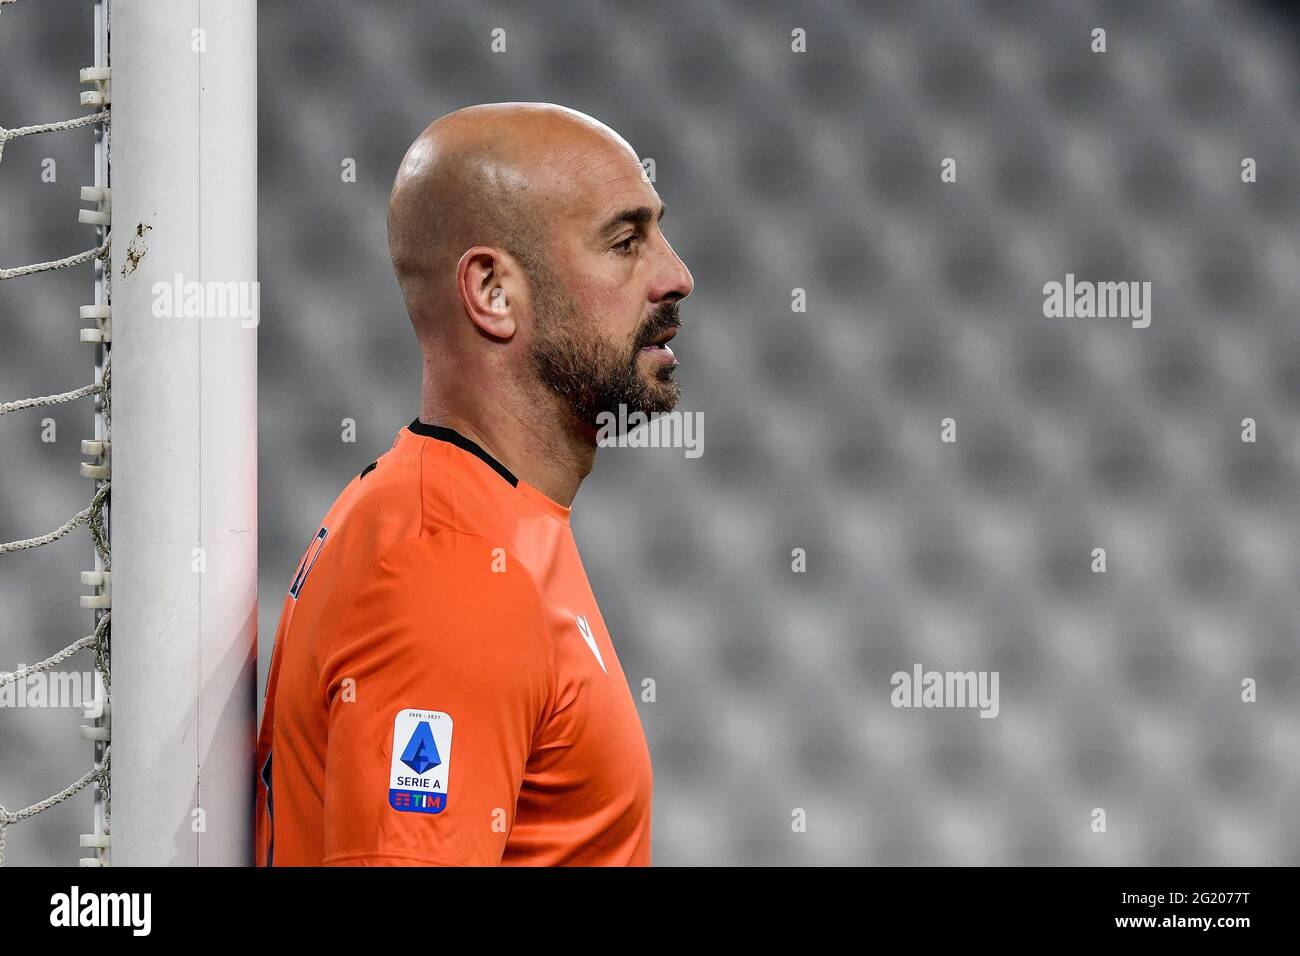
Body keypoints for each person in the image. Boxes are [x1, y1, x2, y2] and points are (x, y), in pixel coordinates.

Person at [254, 102, 694, 866]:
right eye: (626, 242)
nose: (676, 276)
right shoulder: (450, 566)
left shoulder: (469, 519)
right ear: (492, 292)